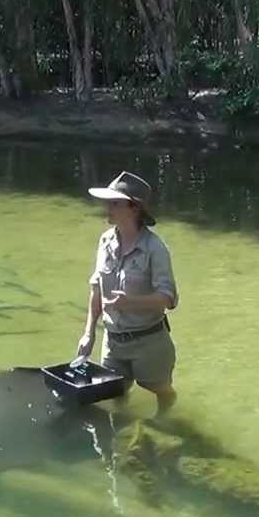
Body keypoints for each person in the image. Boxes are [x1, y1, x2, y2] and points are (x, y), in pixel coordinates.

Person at [77, 171, 179, 415]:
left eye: (115, 203)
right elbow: (96, 288)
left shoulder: (155, 248)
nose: (107, 208)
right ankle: (119, 440)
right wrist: (88, 333)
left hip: (149, 342)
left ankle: (165, 420)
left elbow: (169, 298)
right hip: (112, 342)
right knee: (113, 396)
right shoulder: (105, 242)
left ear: (134, 208)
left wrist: (129, 303)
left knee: (160, 390)